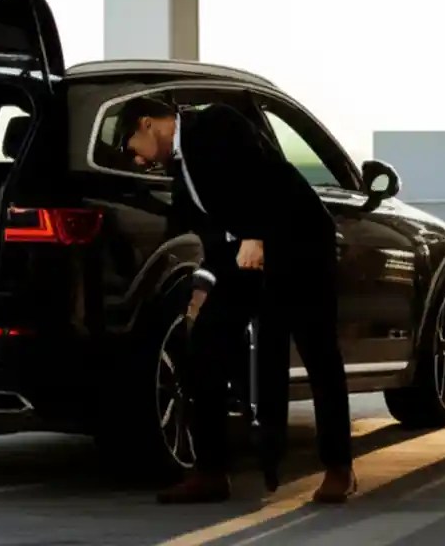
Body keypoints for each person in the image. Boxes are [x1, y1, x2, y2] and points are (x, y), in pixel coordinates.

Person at [112, 96, 357, 504]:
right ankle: (210, 472)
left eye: (129, 147)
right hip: (241, 261)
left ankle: (339, 467)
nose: (136, 160)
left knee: (318, 353)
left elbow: (265, 176)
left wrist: (257, 234)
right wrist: (203, 287)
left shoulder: (216, 123)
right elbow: (211, 236)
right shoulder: (180, 172)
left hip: (298, 245)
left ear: (147, 124)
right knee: (204, 345)